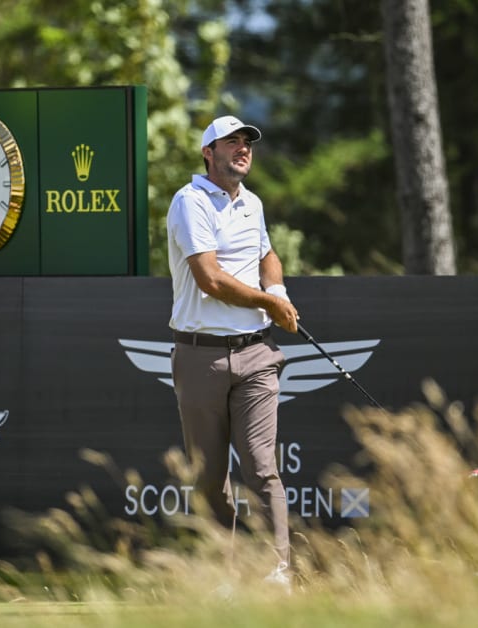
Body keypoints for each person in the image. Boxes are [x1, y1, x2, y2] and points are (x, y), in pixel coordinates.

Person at [166, 115, 299, 585]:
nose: (243, 149)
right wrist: (269, 302)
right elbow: (211, 279)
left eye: (248, 143)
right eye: (232, 142)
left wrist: (276, 289)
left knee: (263, 468)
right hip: (201, 354)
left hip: (257, 354)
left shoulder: (253, 204)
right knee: (209, 478)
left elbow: (265, 253)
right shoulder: (190, 202)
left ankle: (278, 572)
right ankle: (224, 575)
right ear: (209, 152)